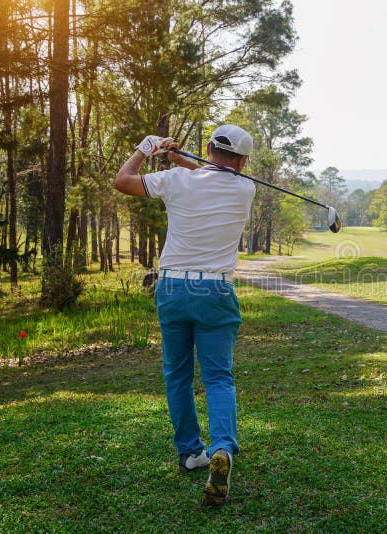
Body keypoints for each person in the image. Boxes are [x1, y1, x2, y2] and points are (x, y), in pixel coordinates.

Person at [113, 125, 255, 506]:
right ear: (243, 162)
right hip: (216, 290)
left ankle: (191, 453)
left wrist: (148, 149)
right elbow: (213, 176)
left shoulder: (175, 181)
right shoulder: (246, 189)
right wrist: (181, 160)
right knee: (218, 376)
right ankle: (222, 447)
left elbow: (122, 180)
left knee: (177, 373)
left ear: (208, 148)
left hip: (173, 287)